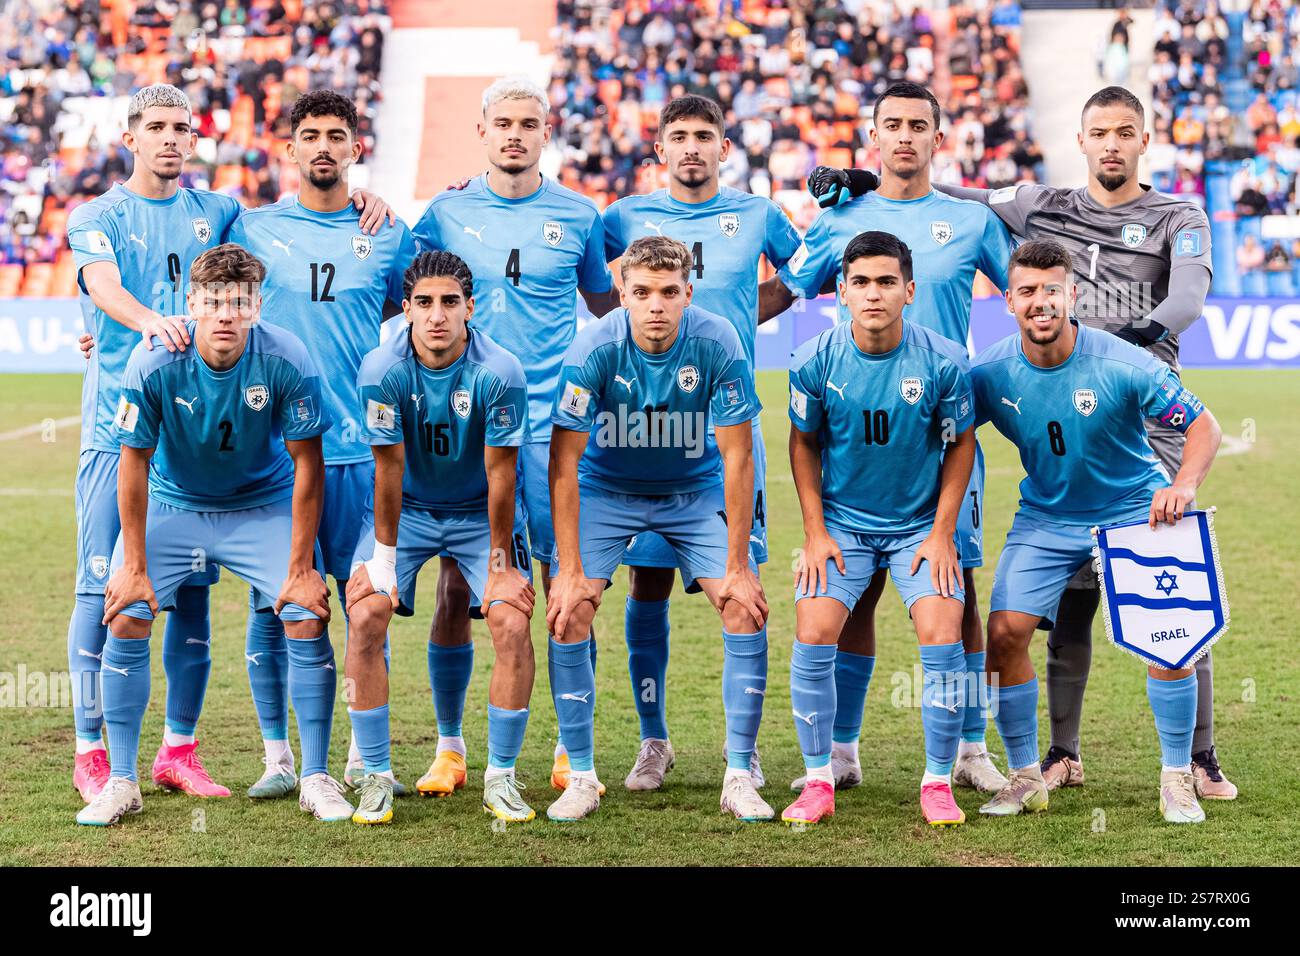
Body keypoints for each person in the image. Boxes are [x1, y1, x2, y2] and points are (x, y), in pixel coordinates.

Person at [809, 85, 1236, 800]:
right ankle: (1059, 754)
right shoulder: (1044, 206)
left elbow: (1188, 300)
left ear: (1143, 140)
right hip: (1046, 391)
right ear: (1080, 140)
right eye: (1098, 132)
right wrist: (865, 179)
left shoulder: (1177, 215)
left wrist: (1118, 343)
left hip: (1142, 411)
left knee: (1168, 598)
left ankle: (1199, 756)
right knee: (1067, 596)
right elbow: (951, 193)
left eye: (1124, 132)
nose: (1110, 144)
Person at [67, 84, 392, 804]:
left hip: (244, 442)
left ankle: (184, 748)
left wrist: (368, 199)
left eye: (182, 127)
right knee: (106, 589)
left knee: (209, 603)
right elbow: (100, 284)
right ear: (131, 135)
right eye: (156, 126)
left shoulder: (221, 213)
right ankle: (94, 752)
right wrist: (142, 325)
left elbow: (306, 236)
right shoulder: (98, 215)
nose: (171, 138)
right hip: (123, 430)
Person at [764, 82, 1013, 795]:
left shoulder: (968, 220)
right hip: (858, 442)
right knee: (860, 594)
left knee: (955, 587)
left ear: (939, 138)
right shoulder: (846, 217)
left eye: (919, 125)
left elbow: (1026, 286)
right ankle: (842, 751)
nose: (905, 136)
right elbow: (791, 288)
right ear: (874, 136)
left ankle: (969, 746)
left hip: (942, 434)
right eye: (892, 125)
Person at [77, 244, 350, 826]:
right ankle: (121, 781)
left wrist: (302, 565)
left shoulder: (287, 357)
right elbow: (132, 463)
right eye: (215, 301)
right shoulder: (153, 362)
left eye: (241, 302)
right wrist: (133, 561)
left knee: (305, 610)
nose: (227, 314)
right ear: (191, 303)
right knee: (126, 608)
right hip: (176, 506)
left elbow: (308, 463)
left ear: (257, 305)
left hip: (262, 505)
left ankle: (318, 777)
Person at [412, 75, 619, 796]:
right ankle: (449, 747)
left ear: (546, 130)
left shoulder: (579, 215)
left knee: (571, 587)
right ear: (481, 132)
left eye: (528, 123)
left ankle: (571, 745)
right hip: (464, 431)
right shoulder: (444, 213)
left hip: (555, 434)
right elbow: (391, 292)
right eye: (502, 123)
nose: (514, 134)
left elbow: (610, 307)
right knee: (452, 588)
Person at [971, 239, 1222, 824]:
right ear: (1007, 300)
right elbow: (950, 434)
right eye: (1028, 292)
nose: (1041, 303)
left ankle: (1176, 776)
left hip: (1133, 507)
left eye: (1051, 290)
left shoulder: (1124, 363)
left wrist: (1182, 486)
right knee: (1005, 634)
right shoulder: (989, 371)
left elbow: (1203, 426)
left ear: (1072, 294)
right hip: (1046, 517)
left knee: (1168, 634)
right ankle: (1026, 777)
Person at [600, 93, 800, 791]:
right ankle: (653, 740)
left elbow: (803, 275)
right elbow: (594, 286)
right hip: (651, 431)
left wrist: (744, 318)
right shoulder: (623, 216)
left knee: (739, 587)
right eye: (678, 136)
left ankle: (738, 756)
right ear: (660, 149)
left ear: (724, 147)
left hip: (728, 429)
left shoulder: (759, 214)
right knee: (645, 587)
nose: (691, 147)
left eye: (704, 136)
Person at [226, 89, 415, 798]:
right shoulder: (249, 227)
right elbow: (202, 294)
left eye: (339, 134)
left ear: (356, 148)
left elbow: (416, 302)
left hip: (364, 454)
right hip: (274, 457)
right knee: (274, 606)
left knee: (366, 605)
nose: (325, 146)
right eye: (312, 135)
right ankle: (279, 757)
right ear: (291, 149)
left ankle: (367, 757)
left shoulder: (390, 234)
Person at [546, 235, 768, 822]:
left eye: (669, 293)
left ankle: (741, 772)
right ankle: (584, 775)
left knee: (744, 606)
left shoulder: (718, 340)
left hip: (693, 494)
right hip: (607, 491)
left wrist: (740, 568)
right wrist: (568, 571)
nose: (655, 306)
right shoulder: (592, 346)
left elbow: (739, 458)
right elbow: (562, 462)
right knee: (569, 611)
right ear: (621, 294)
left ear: (688, 293)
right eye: (641, 292)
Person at [782, 232, 976, 828]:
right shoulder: (814, 359)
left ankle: (938, 781)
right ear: (841, 291)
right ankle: (823, 776)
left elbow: (961, 444)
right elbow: (803, 443)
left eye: (886, 281)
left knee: (944, 634)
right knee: (814, 630)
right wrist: (815, 533)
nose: (873, 293)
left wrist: (943, 533)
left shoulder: (944, 360)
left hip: (919, 525)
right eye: (861, 282)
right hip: (843, 523)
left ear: (909, 290)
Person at [344, 251, 536, 825]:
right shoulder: (382, 369)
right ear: (405, 310)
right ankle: (375, 776)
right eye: (423, 303)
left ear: (470, 308)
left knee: (510, 620)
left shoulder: (499, 370)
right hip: (408, 513)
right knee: (367, 612)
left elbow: (502, 473)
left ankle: (500, 776)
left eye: (449, 302)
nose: (436, 315)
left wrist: (500, 563)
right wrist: (382, 560)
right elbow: (388, 469)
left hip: (481, 514)